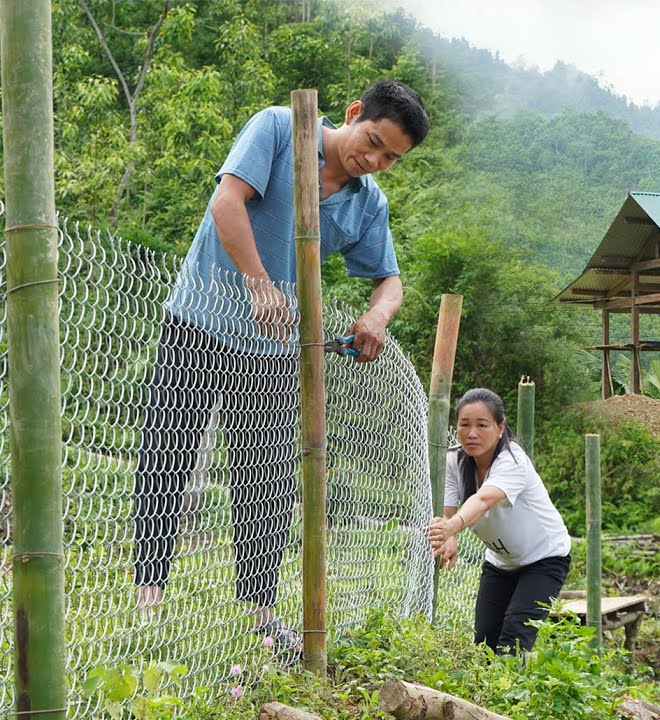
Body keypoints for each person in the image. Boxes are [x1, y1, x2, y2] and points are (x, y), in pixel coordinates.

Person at [132, 79, 431, 651]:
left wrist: (377, 316)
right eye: (373, 142)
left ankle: (259, 614)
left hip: (274, 351)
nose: (375, 160)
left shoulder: (367, 202)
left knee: (264, 482)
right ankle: (148, 597)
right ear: (353, 113)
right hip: (200, 322)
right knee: (167, 456)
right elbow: (226, 201)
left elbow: (389, 281)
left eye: (391, 158)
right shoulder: (278, 127)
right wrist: (259, 283)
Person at [427, 389, 572, 654]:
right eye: (464, 425)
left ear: (500, 428)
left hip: (545, 558)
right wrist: (449, 536)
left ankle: (516, 681)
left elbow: (483, 500)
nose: (472, 433)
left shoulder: (512, 461)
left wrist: (451, 527)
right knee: (484, 643)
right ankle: (487, 683)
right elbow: (448, 512)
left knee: (514, 640)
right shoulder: (453, 460)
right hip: (500, 562)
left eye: (482, 425)